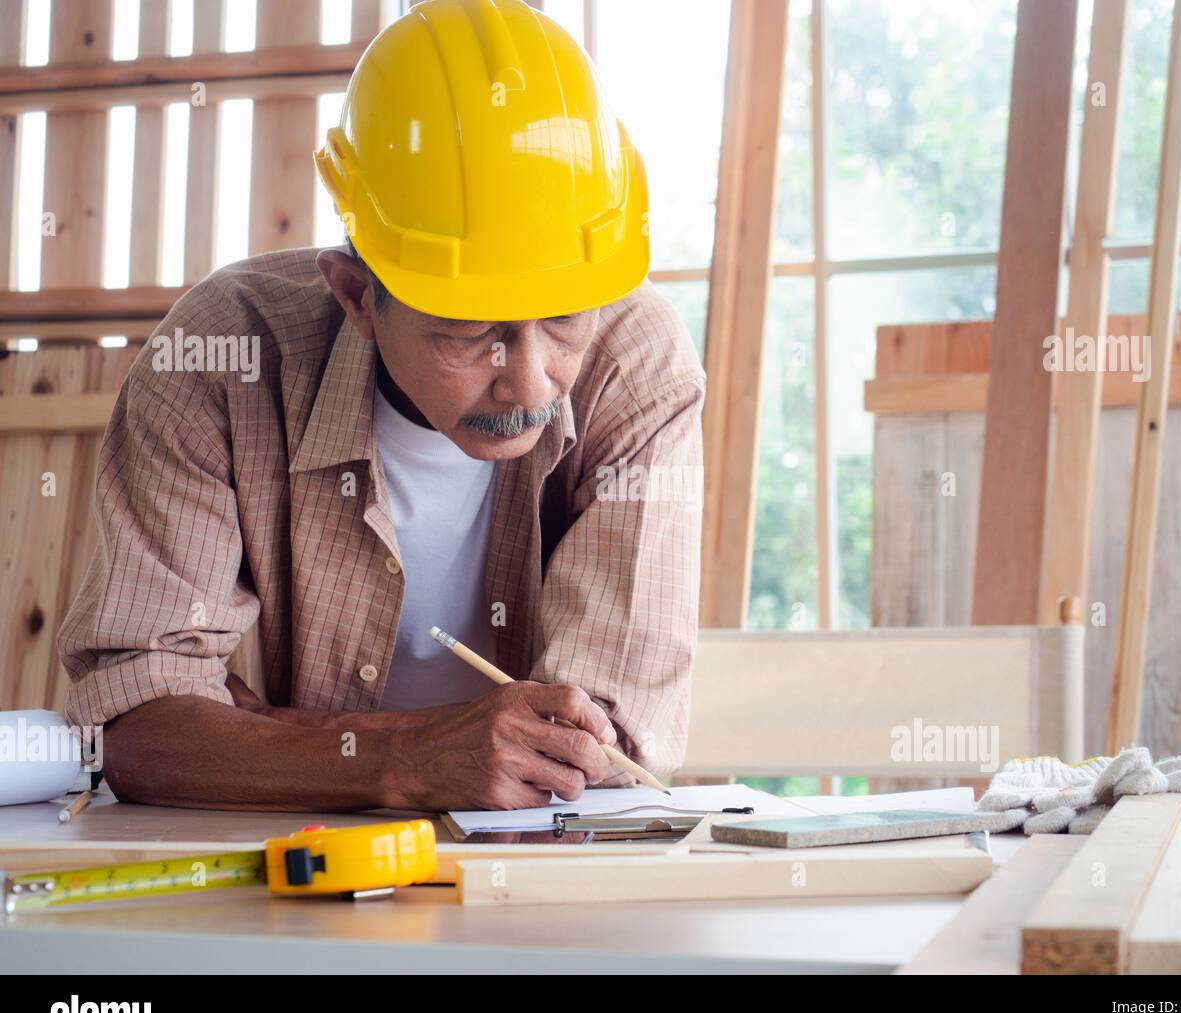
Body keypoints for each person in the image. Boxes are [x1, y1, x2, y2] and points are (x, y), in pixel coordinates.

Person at [57, 0, 704, 813]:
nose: (530, 384)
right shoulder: (222, 354)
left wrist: (269, 741)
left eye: (564, 318)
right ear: (358, 294)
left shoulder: (637, 357)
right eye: (471, 330)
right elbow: (131, 724)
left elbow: (599, 742)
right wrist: (403, 758)